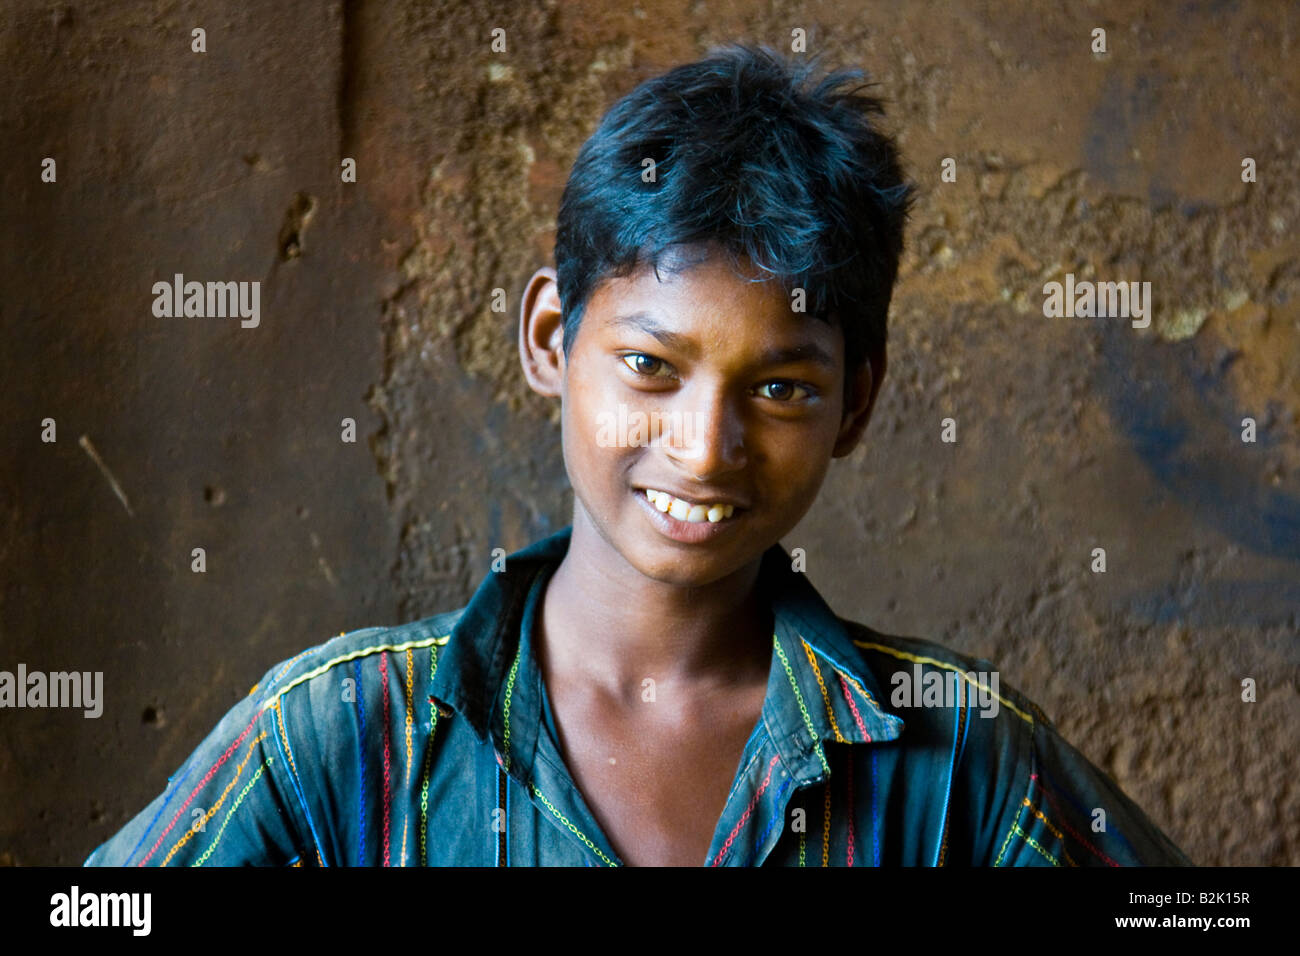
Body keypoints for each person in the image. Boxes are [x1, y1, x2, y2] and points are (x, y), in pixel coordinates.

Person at [85, 44, 1191, 867]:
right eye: (651, 368)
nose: (705, 448)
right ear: (551, 340)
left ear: (855, 404)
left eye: (779, 387)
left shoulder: (959, 761)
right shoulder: (339, 739)